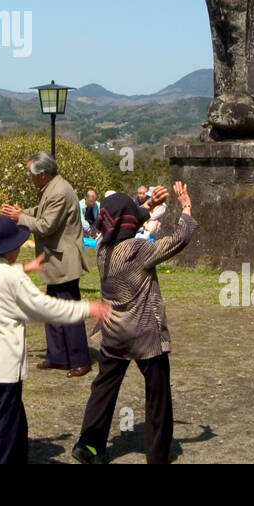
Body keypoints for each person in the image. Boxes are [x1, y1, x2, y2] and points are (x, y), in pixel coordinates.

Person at [0, 216, 112, 464]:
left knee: (9, 418)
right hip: (3, 366)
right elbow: (46, 308)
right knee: (2, 429)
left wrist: (25, 268)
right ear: (8, 249)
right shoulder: (12, 280)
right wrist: (87, 308)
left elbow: (0, 274)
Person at [72, 182, 195, 464]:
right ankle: (157, 455)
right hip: (144, 334)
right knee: (158, 394)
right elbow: (180, 238)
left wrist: (148, 205)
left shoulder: (103, 247)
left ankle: (88, 446)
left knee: (104, 387)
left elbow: (124, 219)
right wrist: (185, 207)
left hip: (113, 332)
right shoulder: (138, 250)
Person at [0, 152, 92, 377]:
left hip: (64, 259)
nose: (28, 178)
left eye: (30, 174)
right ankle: (58, 355)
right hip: (54, 259)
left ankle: (80, 359)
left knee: (68, 308)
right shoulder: (51, 189)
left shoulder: (59, 191)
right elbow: (41, 212)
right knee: (52, 308)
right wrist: (19, 213)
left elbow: (45, 225)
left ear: (42, 174)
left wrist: (19, 217)